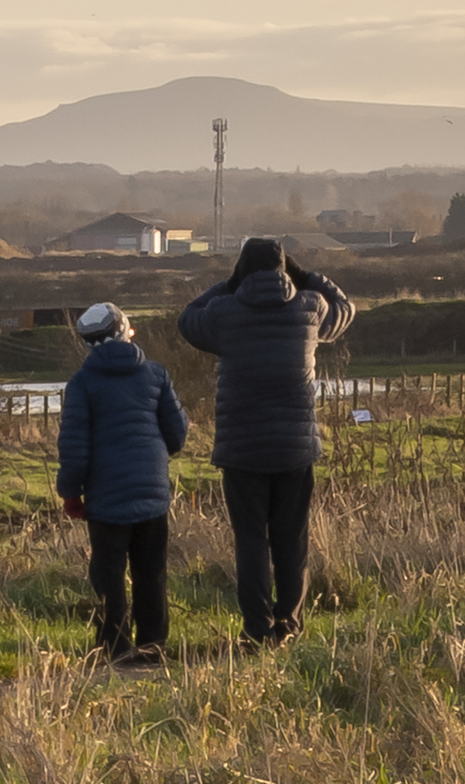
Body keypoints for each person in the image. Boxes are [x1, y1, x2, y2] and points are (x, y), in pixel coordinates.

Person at [179, 236, 354, 647]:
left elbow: (188, 319)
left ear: (243, 269)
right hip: (295, 447)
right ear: (283, 267)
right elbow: (345, 309)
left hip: (242, 448)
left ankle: (257, 630)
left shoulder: (223, 312)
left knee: (251, 541)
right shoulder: (309, 309)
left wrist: (229, 283)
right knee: (292, 539)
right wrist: (305, 275)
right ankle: (288, 624)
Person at [55, 301, 189, 666]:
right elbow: (177, 435)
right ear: (125, 329)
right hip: (152, 490)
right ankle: (153, 645)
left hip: (105, 496)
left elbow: (74, 445)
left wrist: (70, 491)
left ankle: (115, 646)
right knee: (151, 571)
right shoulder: (156, 375)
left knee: (108, 572)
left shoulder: (82, 384)